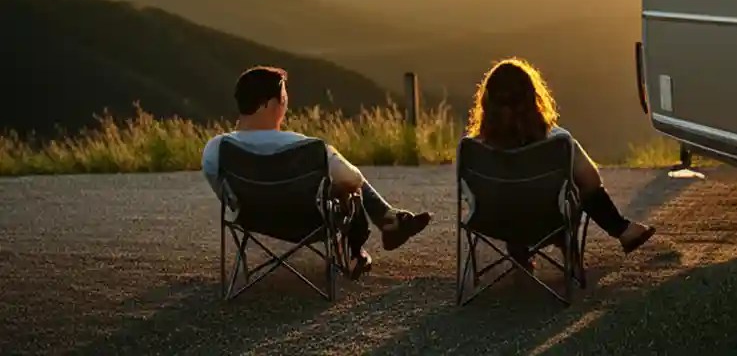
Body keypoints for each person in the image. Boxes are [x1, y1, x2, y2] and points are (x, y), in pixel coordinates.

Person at [201, 65, 433, 278]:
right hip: (309, 223)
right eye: (283, 98)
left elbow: (224, 193)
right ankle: (377, 233)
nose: (285, 104)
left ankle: (389, 221)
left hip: (252, 219)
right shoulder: (309, 148)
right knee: (348, 188)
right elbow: (354, 179)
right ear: (269, 105)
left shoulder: (216, 149)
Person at [465, 57, 657, 260]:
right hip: (549, 224)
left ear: (486, 102)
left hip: (494, 223)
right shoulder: (558, 142)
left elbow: (468, 192)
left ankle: (518, 251)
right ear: (534, 98)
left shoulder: (472, 147)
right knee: (578, 188)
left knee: (511, 198)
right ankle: (620, 230)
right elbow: (592, 182)